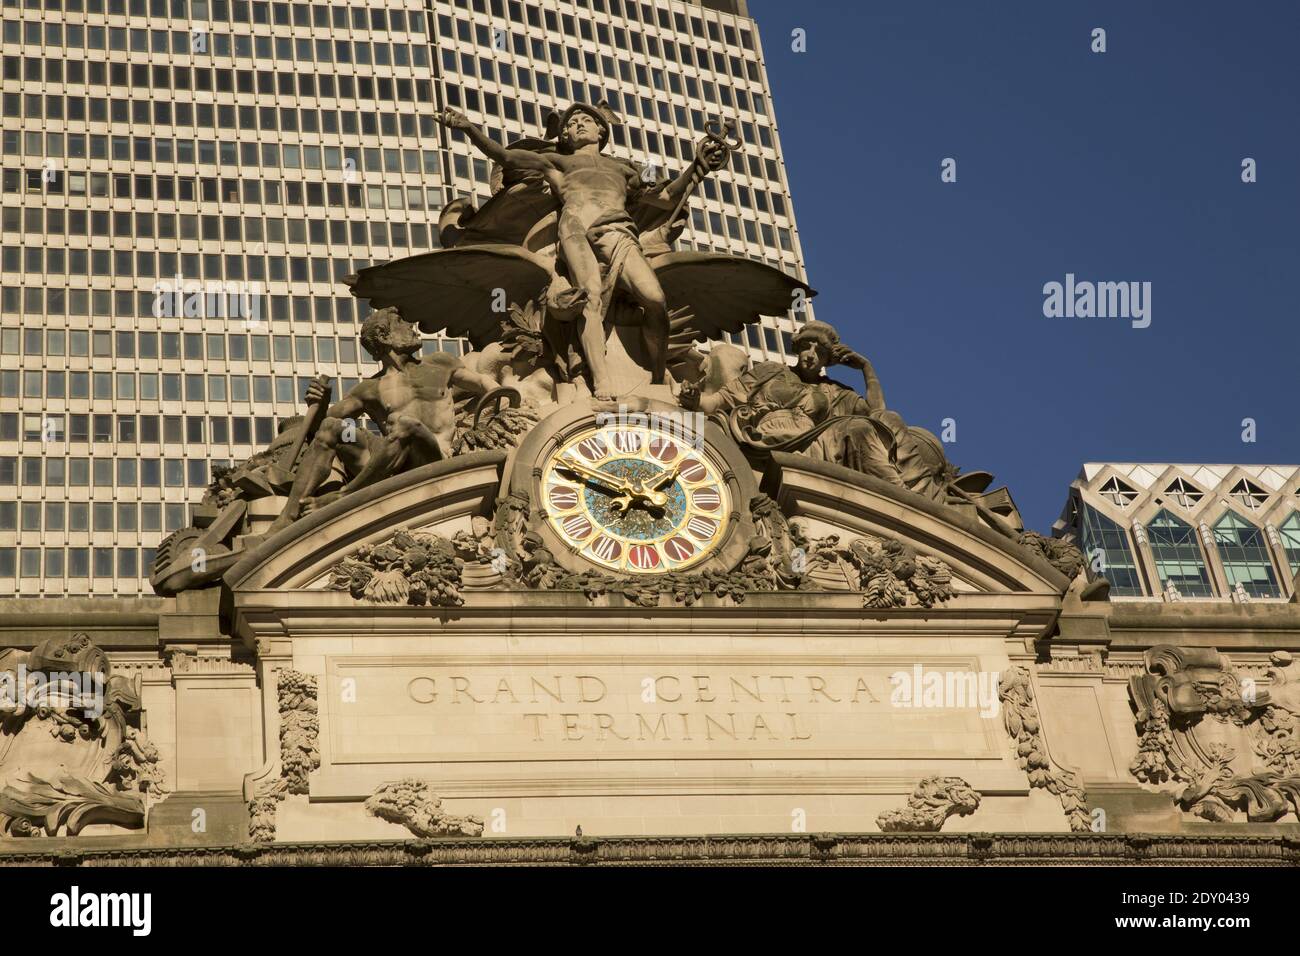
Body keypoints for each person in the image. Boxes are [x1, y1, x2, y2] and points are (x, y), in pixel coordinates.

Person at [435, 103, 727, 400]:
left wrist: (697, 166)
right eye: (571, 124)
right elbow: (506, 156)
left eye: (586, 120)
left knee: (654, 298)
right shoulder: (555, 162)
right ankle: (601, 380)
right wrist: (468, 128)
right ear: (564, 136)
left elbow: (665, 196)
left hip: (618, 231)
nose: (578, 125)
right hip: (576, 230)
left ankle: (655, 373)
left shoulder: (626, 168)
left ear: (601, 130)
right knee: (591, 296)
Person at [268, 308, 497, 532]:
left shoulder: (439, 363)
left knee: (407, 424)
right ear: (384, 336)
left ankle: (344, 496)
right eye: (402, 322)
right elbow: (320, 428)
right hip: (390, 465)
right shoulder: (369, 389)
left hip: (431, 458)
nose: (412, 326)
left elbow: (482, 383)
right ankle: (287, 518)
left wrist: (504, 399)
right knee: (332, 428)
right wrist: (320, 403)